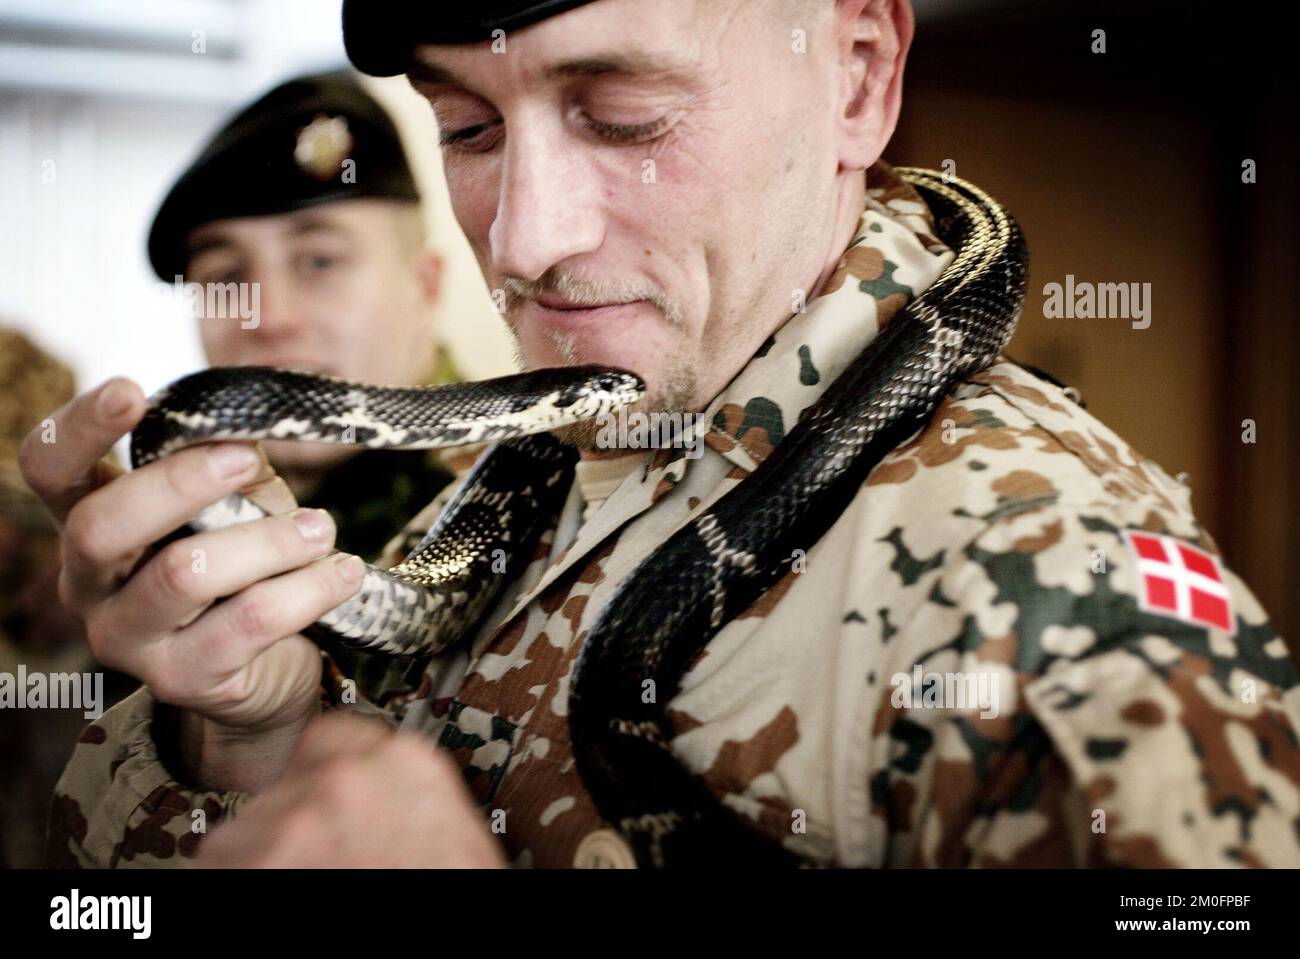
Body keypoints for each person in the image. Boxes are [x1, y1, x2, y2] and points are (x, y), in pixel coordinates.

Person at [23, 0, 1300, 868]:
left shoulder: (1054, 589)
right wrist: (256, 730)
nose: (521, 243)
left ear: (859, 76)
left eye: (624, 114)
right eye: (464, 126)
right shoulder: (553, 459)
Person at [148, 69, 462, 704]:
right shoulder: (157, 537)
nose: (269, 318)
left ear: (425, 286)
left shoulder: (542, 513)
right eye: (227, 274)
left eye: (320, 261)